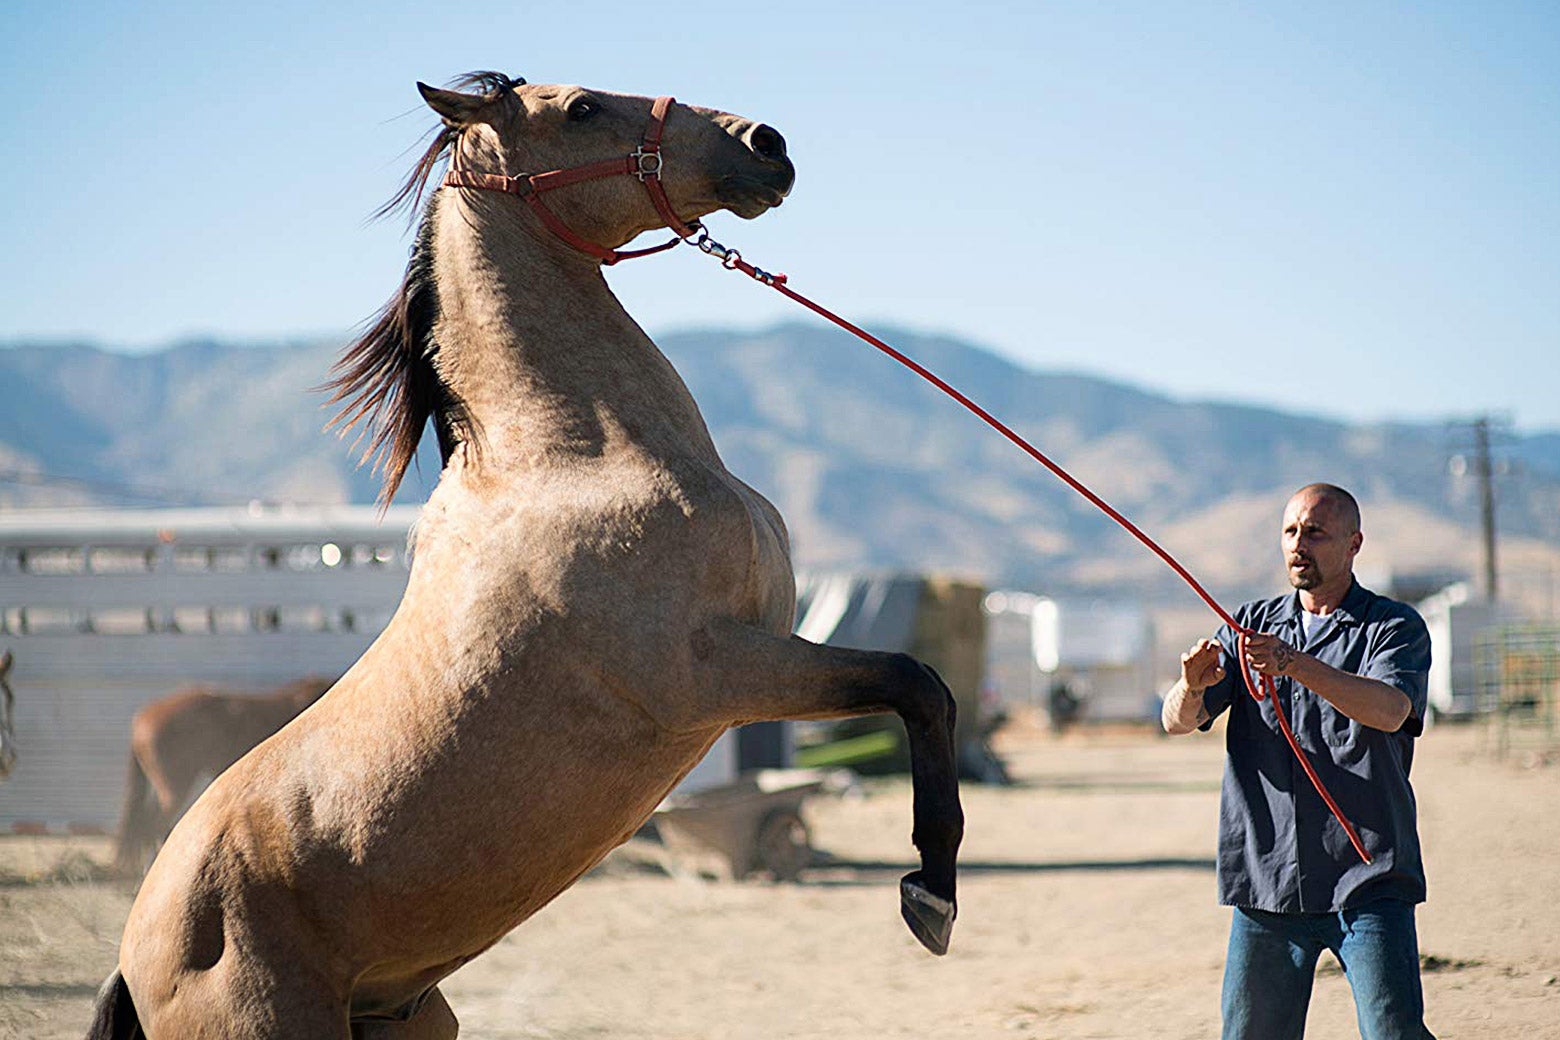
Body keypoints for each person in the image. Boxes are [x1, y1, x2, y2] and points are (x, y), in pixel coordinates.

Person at [1162, 483, 1435, 1040]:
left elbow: (1389, 709)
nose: (1298, 545)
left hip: (1367, 879)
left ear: (1354, 543)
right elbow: (1176, 720)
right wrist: (1190, 688)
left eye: (1315, 532)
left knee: (1394, 1033)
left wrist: (1293, 663)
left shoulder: (1393, 628)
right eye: (1290, 531)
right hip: (1268, 884)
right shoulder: (1247, 628)